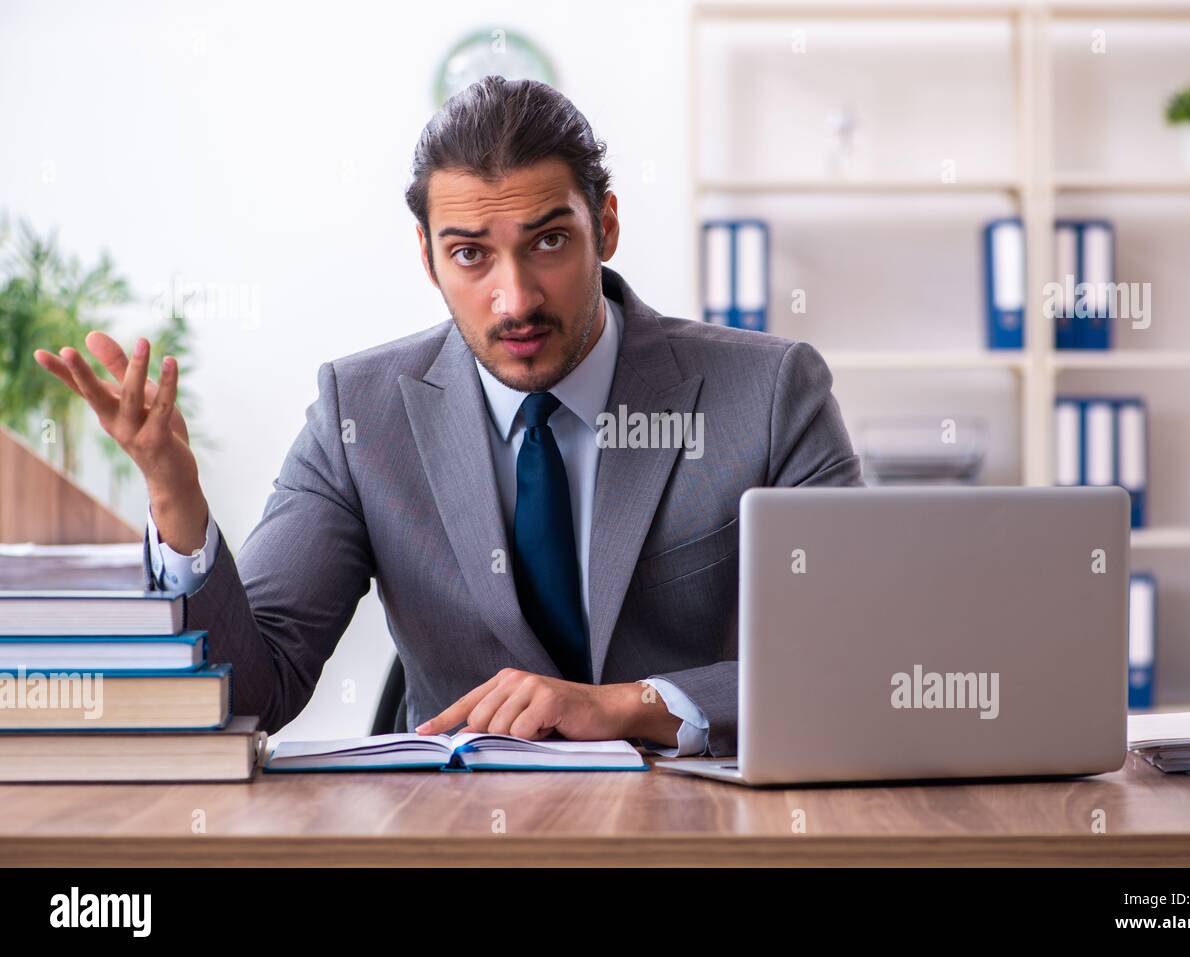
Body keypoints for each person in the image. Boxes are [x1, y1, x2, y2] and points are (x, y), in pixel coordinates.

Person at [34, 76, 862, 757]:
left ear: (604, 227)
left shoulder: (769, 391)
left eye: (547, 242)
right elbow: (255, 689)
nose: (516, 297)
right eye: (470, 253)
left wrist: (632, 704)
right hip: (456, 833)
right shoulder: (358, 414)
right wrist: (177, 501)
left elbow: (849, 654)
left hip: (699, 835)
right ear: (427, 257)